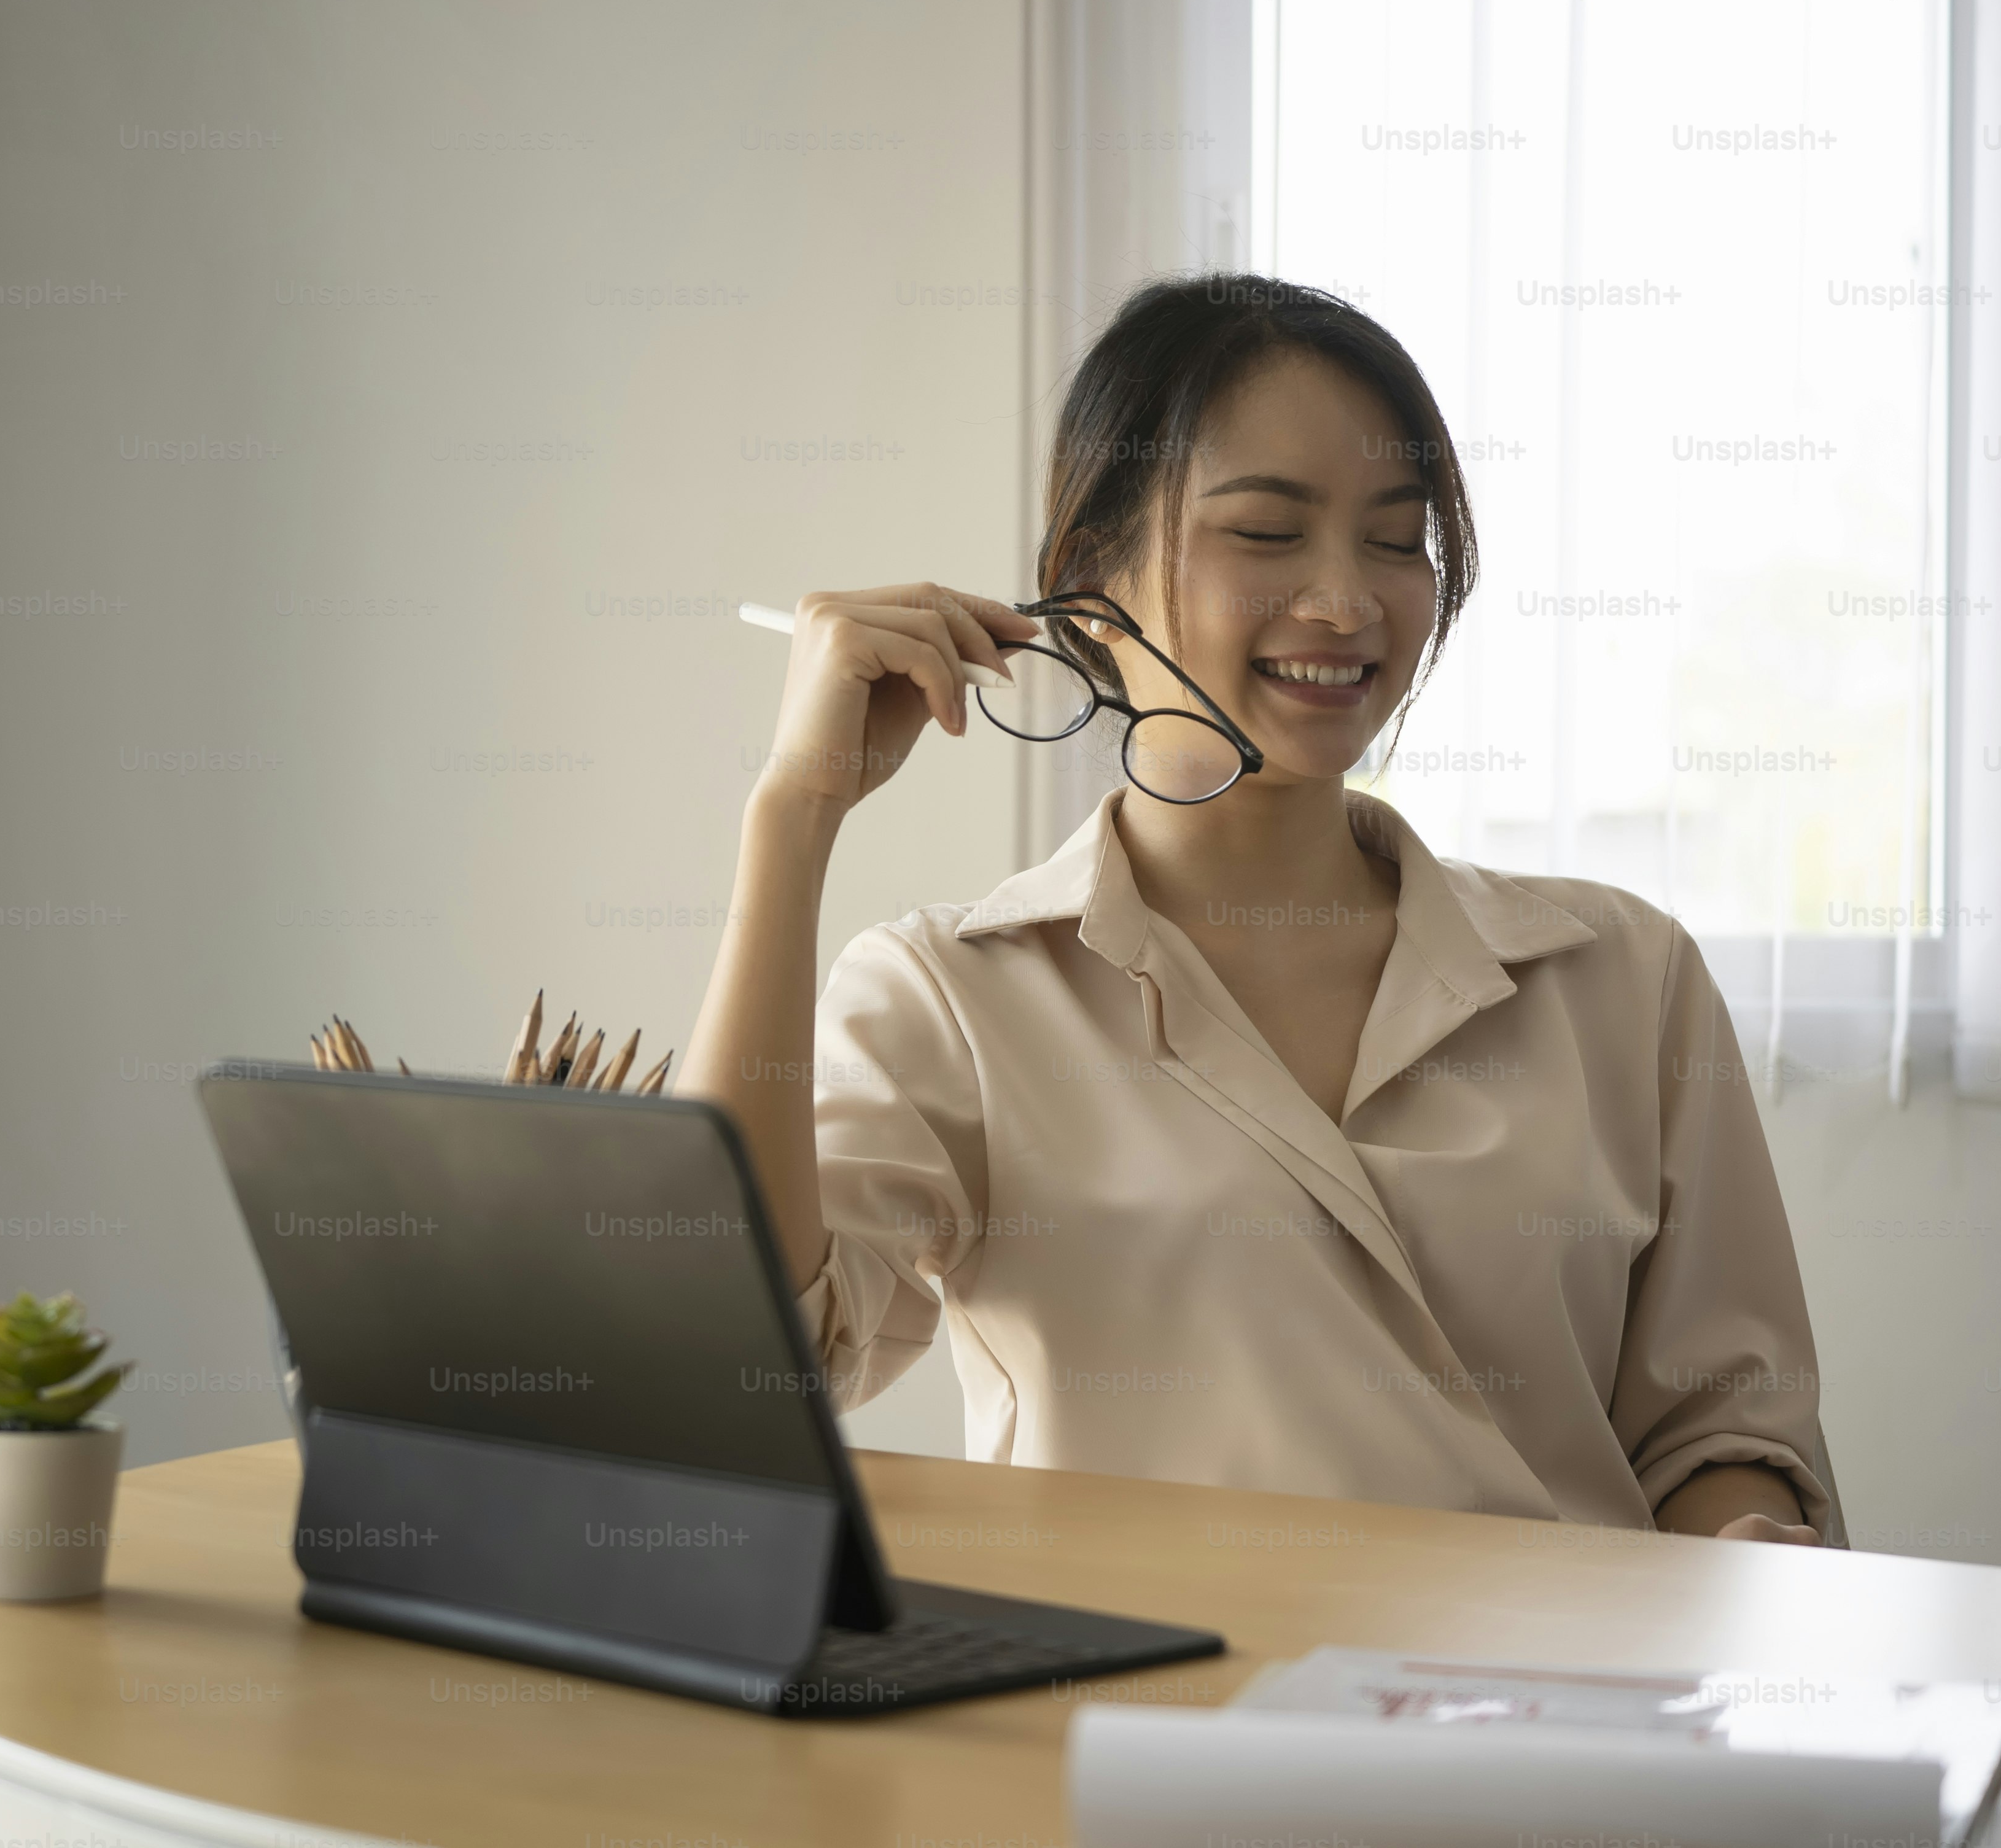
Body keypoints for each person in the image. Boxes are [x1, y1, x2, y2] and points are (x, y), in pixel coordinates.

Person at [680, 274, 1838, 1545]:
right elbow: (737, 1364)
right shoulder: (953, 995)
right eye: (1269, 534)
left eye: (1398, 540)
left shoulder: (1624, 975)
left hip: (1543, 1713)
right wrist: (792, 817)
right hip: (1141, 1721)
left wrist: (1752, 1557)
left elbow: (1726, 1434)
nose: (1348, 600)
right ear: (1088, 583)